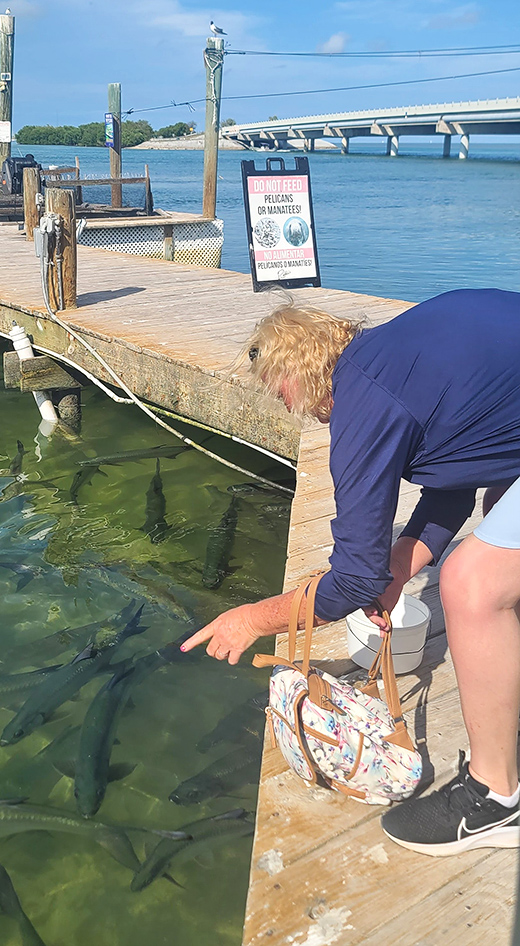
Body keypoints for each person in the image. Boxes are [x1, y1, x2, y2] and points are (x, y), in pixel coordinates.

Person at [182, 288, 520, 857]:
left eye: (280, 390)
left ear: (301, 368)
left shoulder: (365, 401)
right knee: (501, 535)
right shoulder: (394, 354)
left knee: (473, 582)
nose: (288, 406)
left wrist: (251, 619)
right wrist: (397, 574)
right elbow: (458, 472)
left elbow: (354, 579)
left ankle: (495, 800)